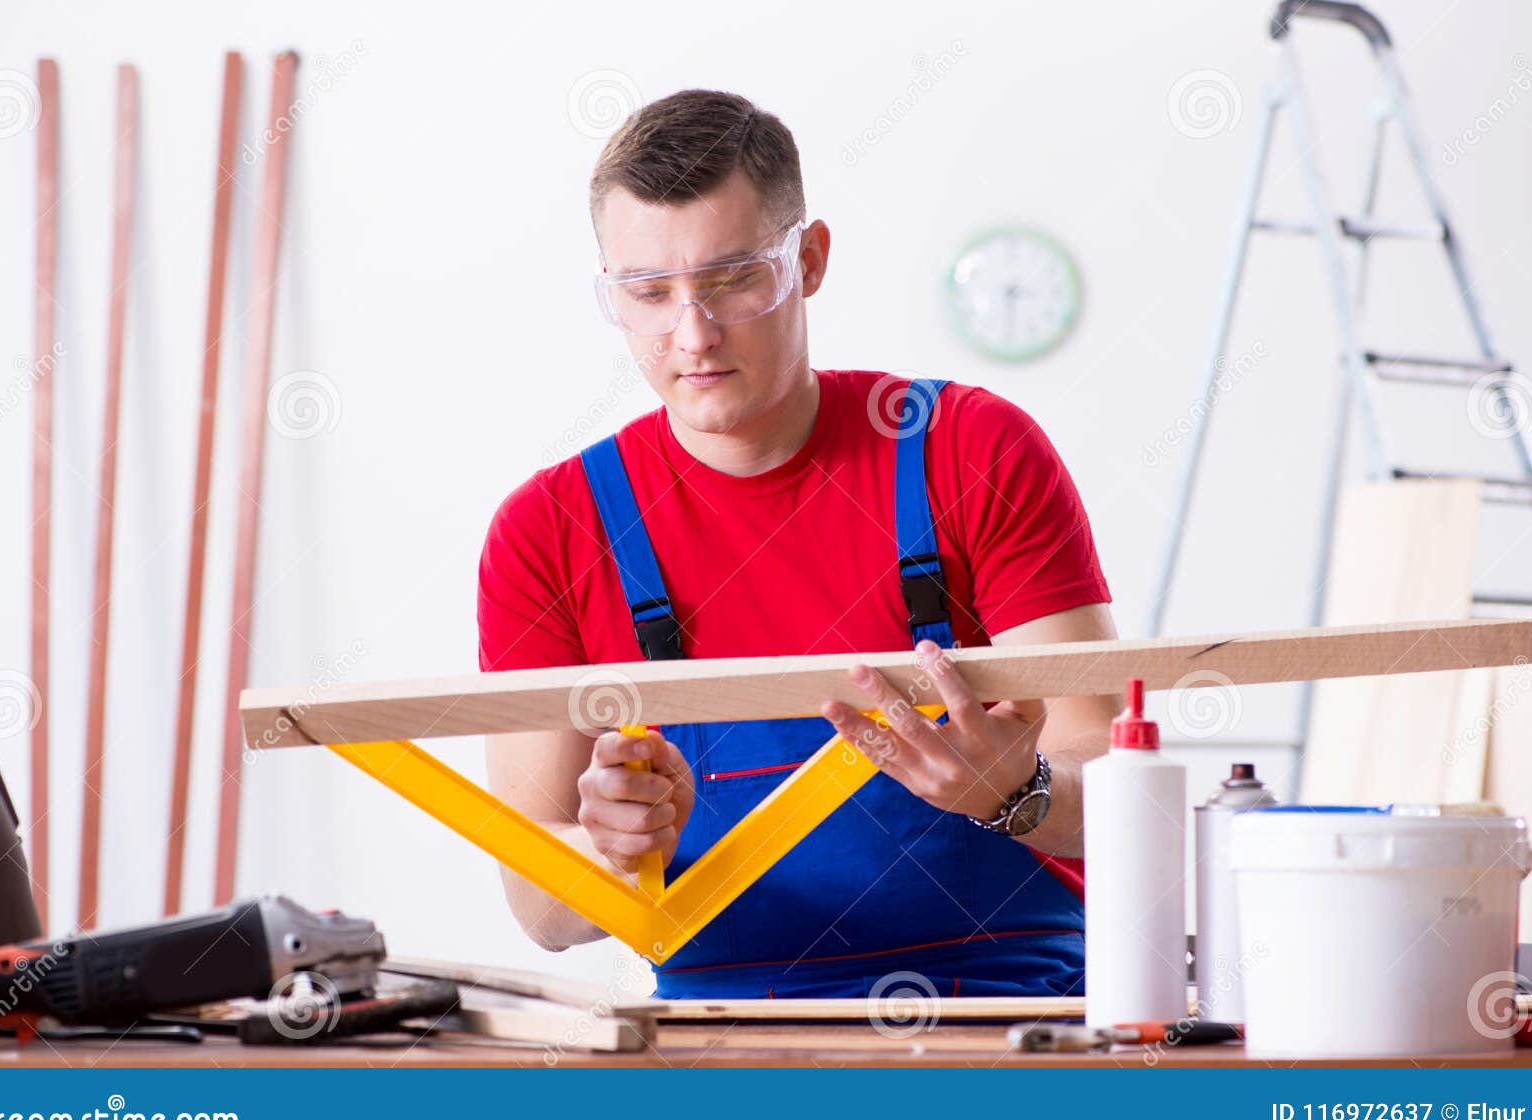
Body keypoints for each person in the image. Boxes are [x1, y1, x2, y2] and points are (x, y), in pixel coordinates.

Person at [478, 88, 1121, 998]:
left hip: (1010, 1013)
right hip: (723, 1042)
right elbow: (540, 909)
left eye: (733, 279)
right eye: (649, 294)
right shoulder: (550, 529)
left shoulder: (971, 449)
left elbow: (1120, 794)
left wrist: (1020, 792)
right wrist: (612, 853)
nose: (692, 335)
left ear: (808, 259)